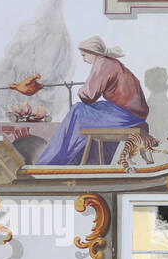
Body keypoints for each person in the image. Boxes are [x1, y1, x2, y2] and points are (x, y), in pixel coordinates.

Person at [37, 36, 150, 166]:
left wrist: (81, 89)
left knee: (77, 110)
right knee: (91, 108)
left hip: (126, 115)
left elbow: (88, 96)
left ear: (92, 53)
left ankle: (53, 161)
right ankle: (88, 162)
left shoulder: (102, 63)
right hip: (131, 113)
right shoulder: (110, 62)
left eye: (84, 55)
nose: (84, 59)